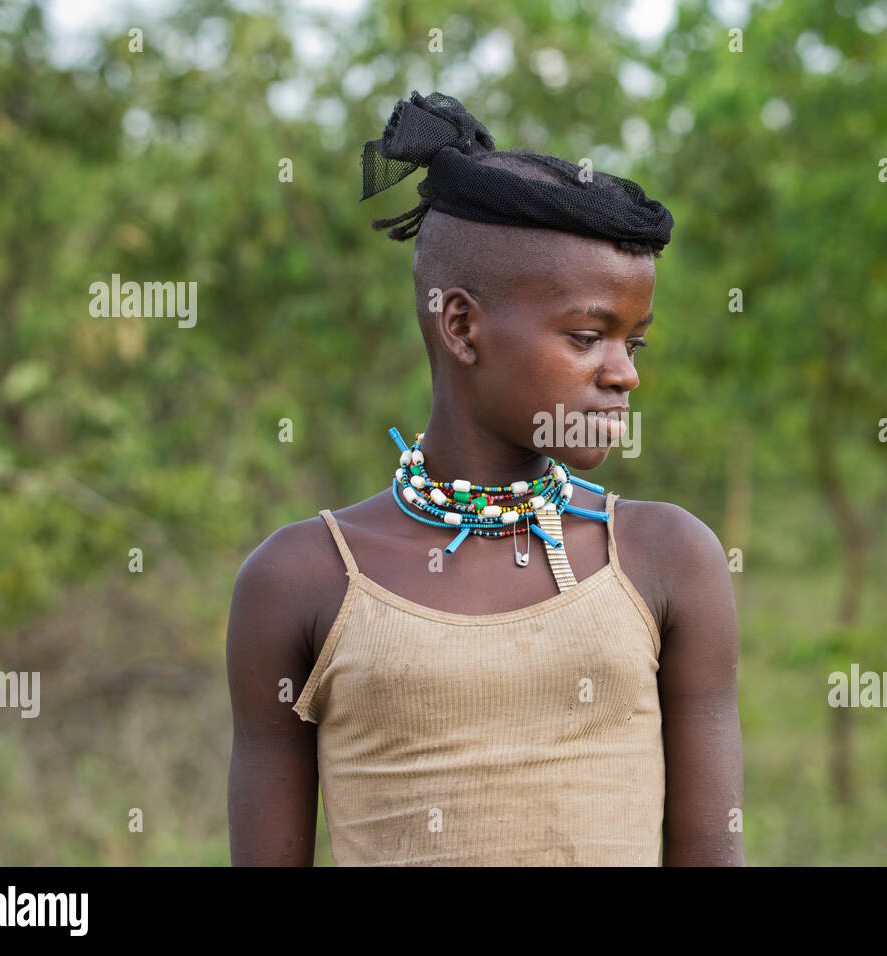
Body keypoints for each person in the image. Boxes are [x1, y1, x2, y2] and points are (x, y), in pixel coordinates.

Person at [226, 91, 743, 866]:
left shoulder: (667, 559)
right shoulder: (304, 579)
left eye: (635, 343)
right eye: (586, 336)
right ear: (462, 326)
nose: (624, 374)